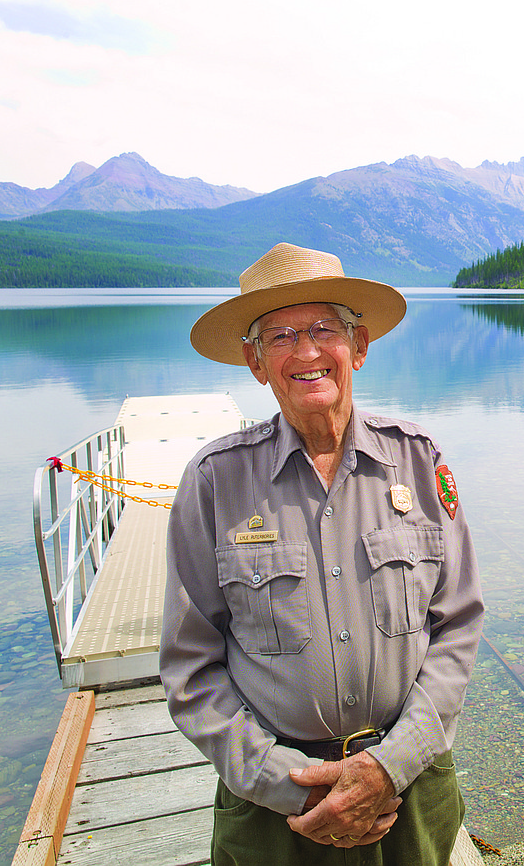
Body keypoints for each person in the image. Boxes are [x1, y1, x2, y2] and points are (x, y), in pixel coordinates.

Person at [160, 242, 484, 865]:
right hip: (273, 808)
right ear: (256, 362)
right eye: (280, 336)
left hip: (410, 788)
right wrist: (289, 783)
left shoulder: (419, 460)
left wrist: (392, 764)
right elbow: (190, 668)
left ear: (358, 346)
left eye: (323, 330)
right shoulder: (215, 481)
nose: (306, 352)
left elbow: (458, 625)